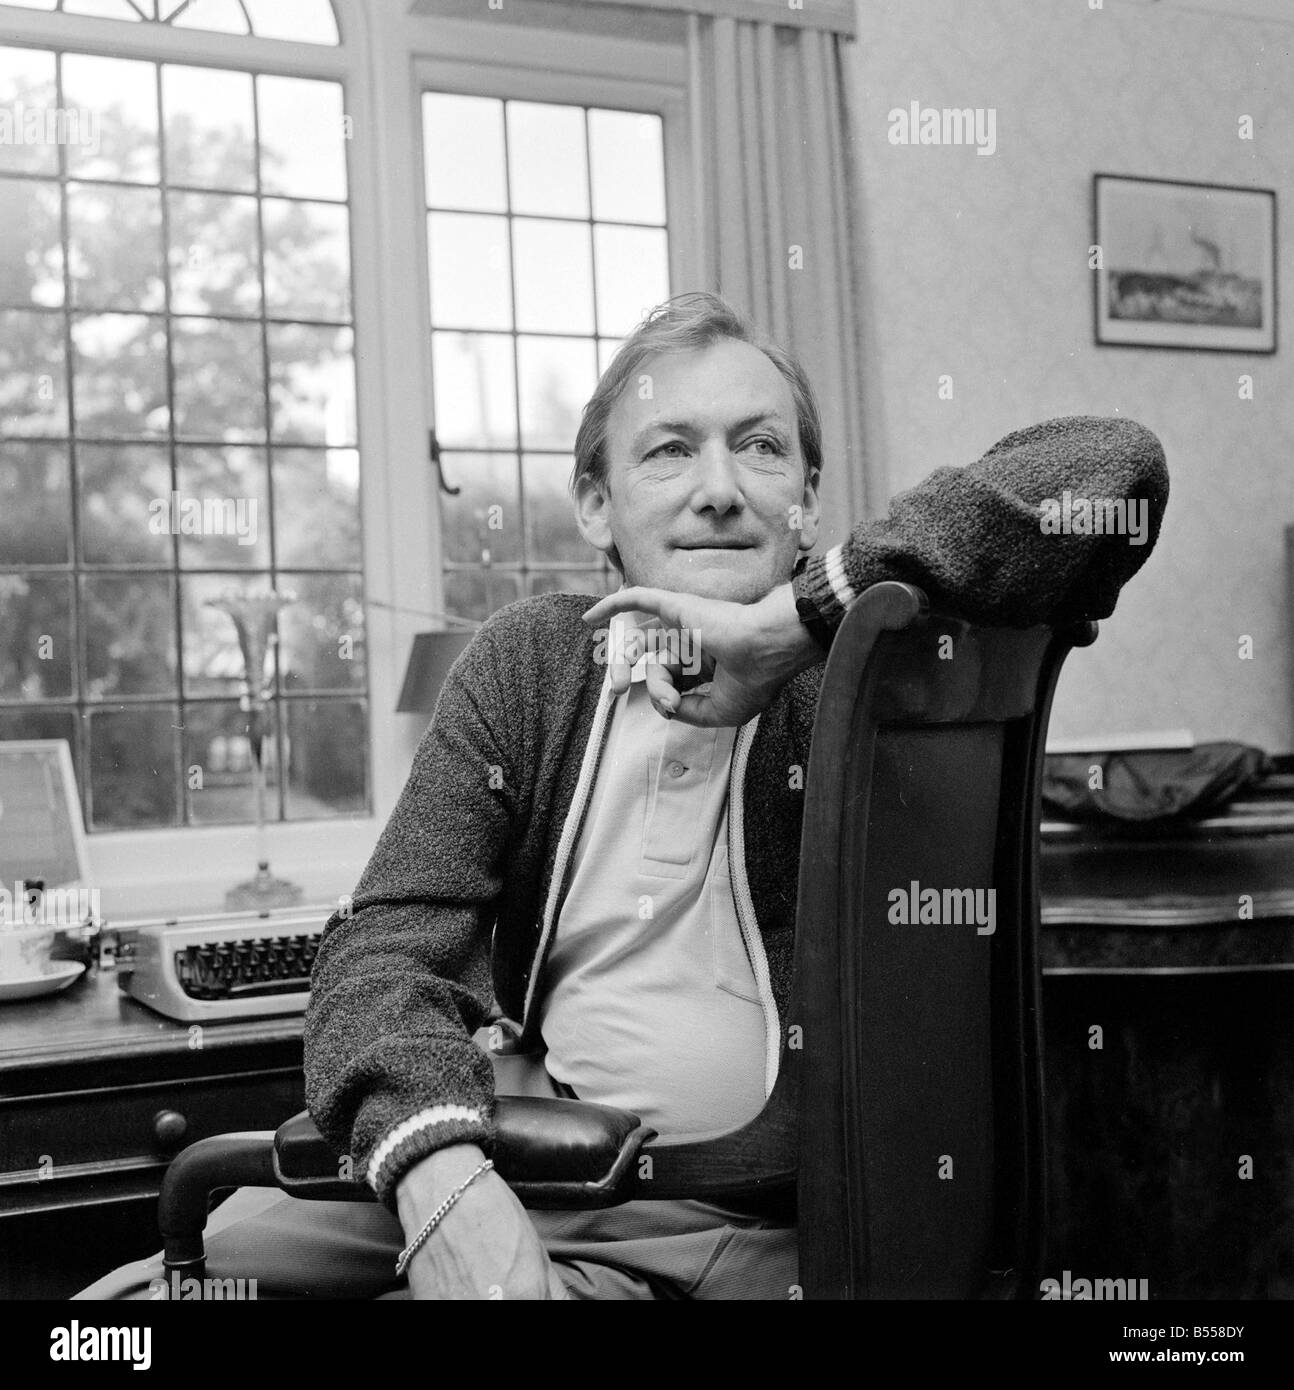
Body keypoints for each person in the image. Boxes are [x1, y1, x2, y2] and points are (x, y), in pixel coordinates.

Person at [77, 292, 1168, 1301]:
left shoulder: (872, 665)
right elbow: (380, 953)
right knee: (118, 1312)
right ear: (596, 506)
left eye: (759, 446)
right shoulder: (530, 666)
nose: (719, 487)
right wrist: (446, 1184)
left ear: (806, 499)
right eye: (668, 450)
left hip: (726, 1225)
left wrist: (799, 621)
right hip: (512, 1165)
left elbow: (1111, 465)